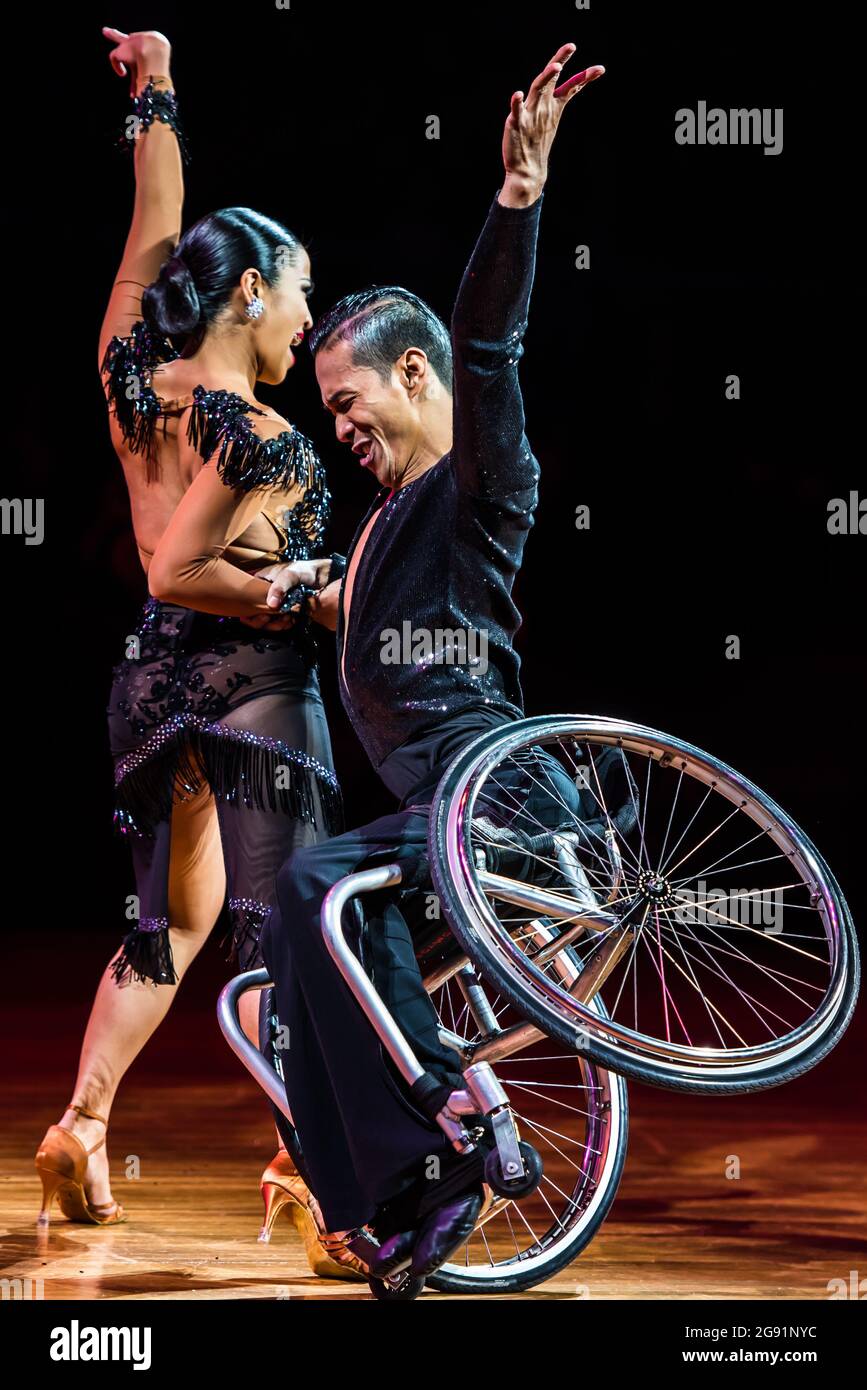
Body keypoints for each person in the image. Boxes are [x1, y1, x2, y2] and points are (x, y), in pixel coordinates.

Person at [259, 44, 605, 1279]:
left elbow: (490, 347)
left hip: (495, 802)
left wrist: (518, 200)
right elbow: (344, 596)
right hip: (433, 818)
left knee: (315, 893)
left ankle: (458, 1119)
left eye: (353, 404)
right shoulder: (393, 530)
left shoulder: (479, 483)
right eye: (329, 415)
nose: (340, 429)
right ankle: (398, 1201)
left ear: (416, 375)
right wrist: (299, 586)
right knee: (271, 990)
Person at [34, 26, 359, 1279]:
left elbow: (154, 215)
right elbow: (201, 565)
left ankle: (84, 1120)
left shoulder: (128, 377)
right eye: (300, 291)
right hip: (251, 685)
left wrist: (156, 84)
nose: (310, 316)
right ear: (247, 293)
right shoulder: (268, 437)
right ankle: (328, 1179)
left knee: (175, 919)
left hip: (144, 683)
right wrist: (310, 601)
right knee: (291, 932)